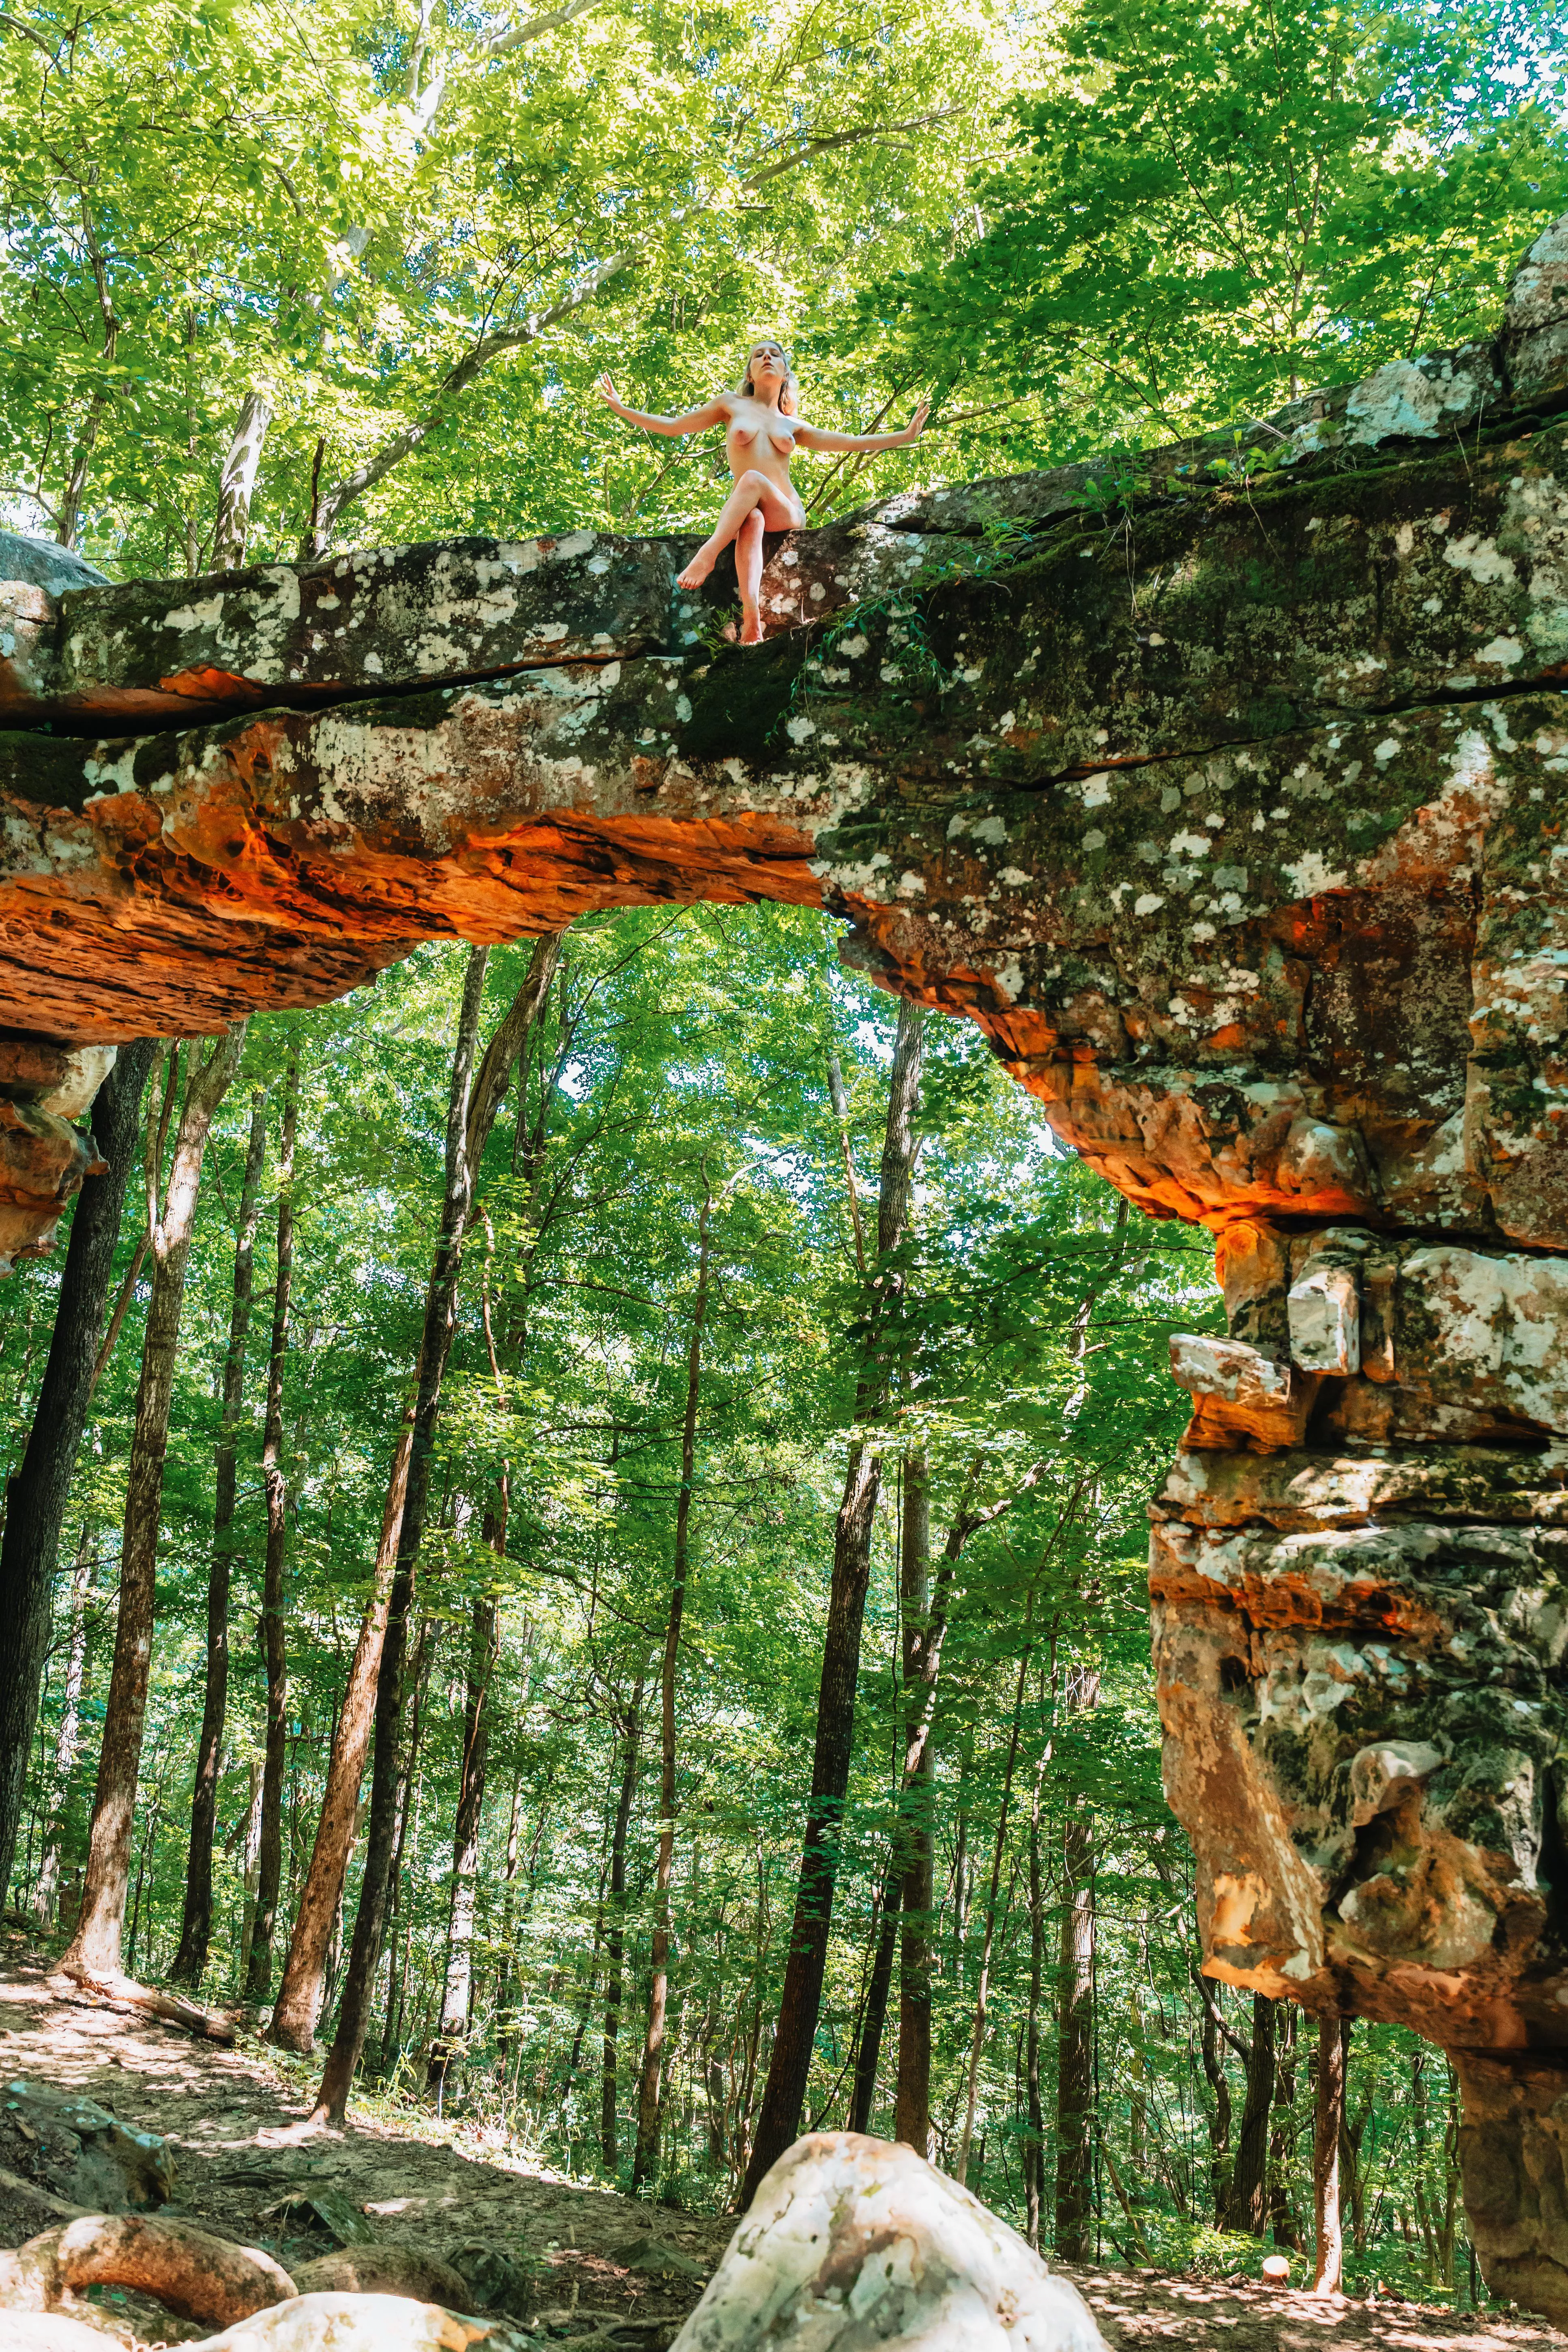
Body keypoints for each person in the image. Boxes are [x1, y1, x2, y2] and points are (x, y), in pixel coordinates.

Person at [595, 340, 930, 644]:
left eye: (775, 354)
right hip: (755, 505)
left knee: (753, 480)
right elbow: (673, 427)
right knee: (750, 519)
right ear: (751, 373)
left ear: (785, 373)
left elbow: (852, 443)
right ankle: (752, 620)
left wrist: (904, 435)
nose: (767, 357)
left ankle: (708, 555)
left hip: (786, 510)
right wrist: (621, 409)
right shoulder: (731, 405)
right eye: (759, 355)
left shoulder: (792, 425)